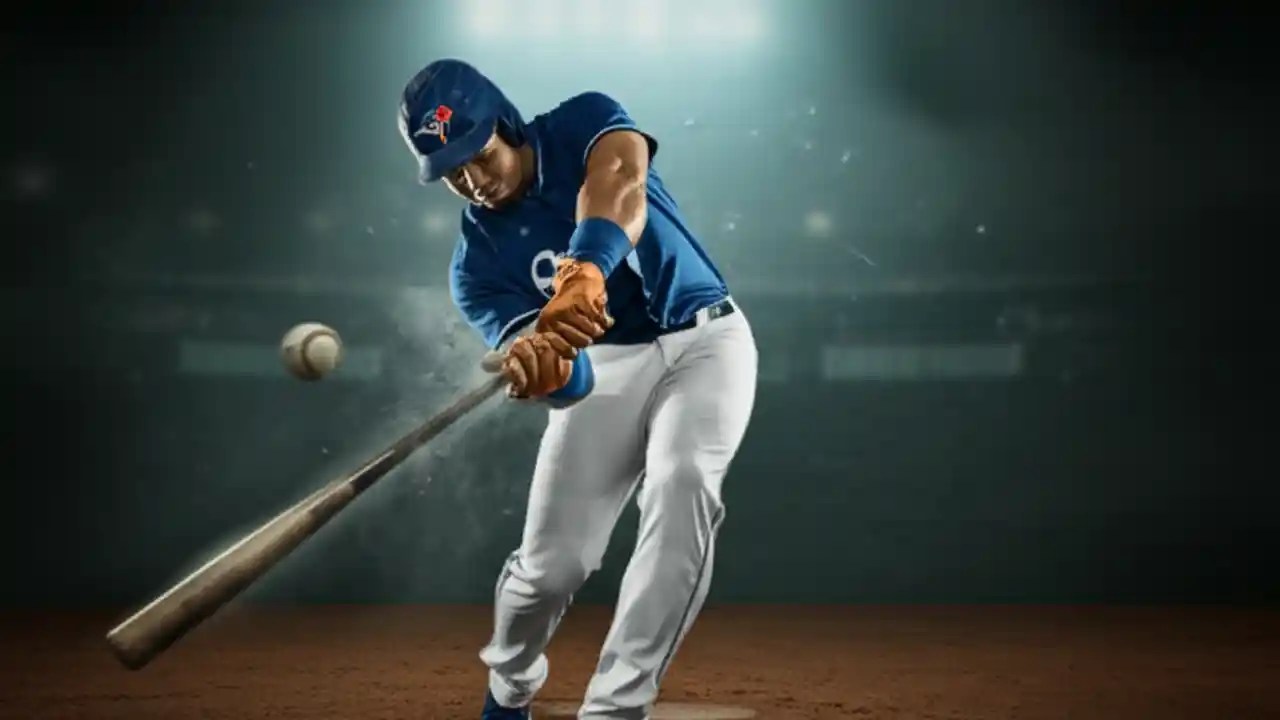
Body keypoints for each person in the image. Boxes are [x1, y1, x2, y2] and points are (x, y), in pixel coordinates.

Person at [398, 59, 758, 720]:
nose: (475, 180)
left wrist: (585, 272)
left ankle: (616, 708)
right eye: (454, 173)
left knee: (682, 485)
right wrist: (546, 363)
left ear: (504, 122)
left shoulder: (581, 122)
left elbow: (621, 179)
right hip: (608, 369)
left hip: (707, 342)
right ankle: (508, 685)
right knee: (551, 567)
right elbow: (575, 383)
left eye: (479, 154)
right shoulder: (475, 270)